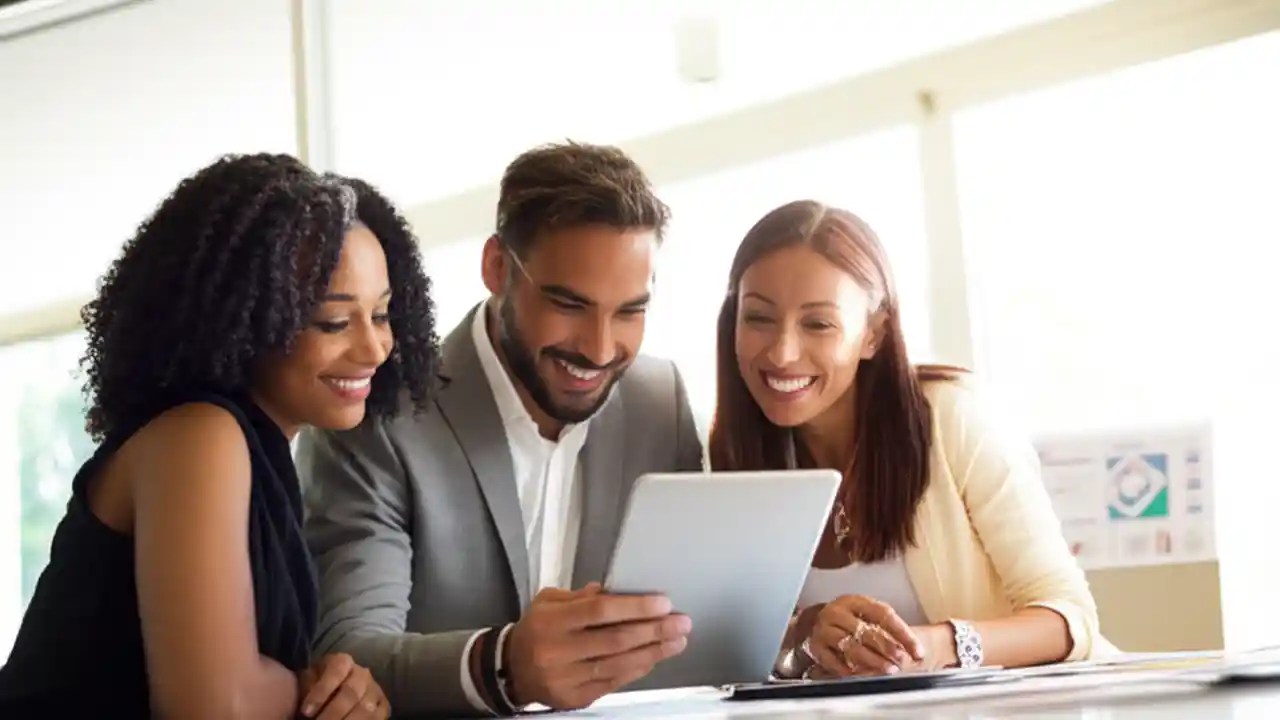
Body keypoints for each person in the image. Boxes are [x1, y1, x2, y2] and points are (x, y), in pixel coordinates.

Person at [0, 153, 440, 718]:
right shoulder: (199, 437)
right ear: (245, 319)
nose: (374, 348)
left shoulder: (255, 453)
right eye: (333, 322)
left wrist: (330, 685)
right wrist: (315, 687)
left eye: (381, 315)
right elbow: (212, 707)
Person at [297, 141, 703, 717]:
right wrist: (504, 666)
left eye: (630, 311)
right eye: (569, 304)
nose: (600, 347)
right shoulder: (375, 414)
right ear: (496, 268)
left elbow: (698, 627)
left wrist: (802, 643)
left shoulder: (659, 401)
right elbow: (348, 658)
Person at [709, 200, 1110, 680]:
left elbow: (1070, 618)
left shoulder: (950, 417)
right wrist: (805, 634)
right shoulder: (735, 458)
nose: (782, 352)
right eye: (758, 318)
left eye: (818, 324)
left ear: (874, 334)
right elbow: (749, 651)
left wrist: (935, 645)